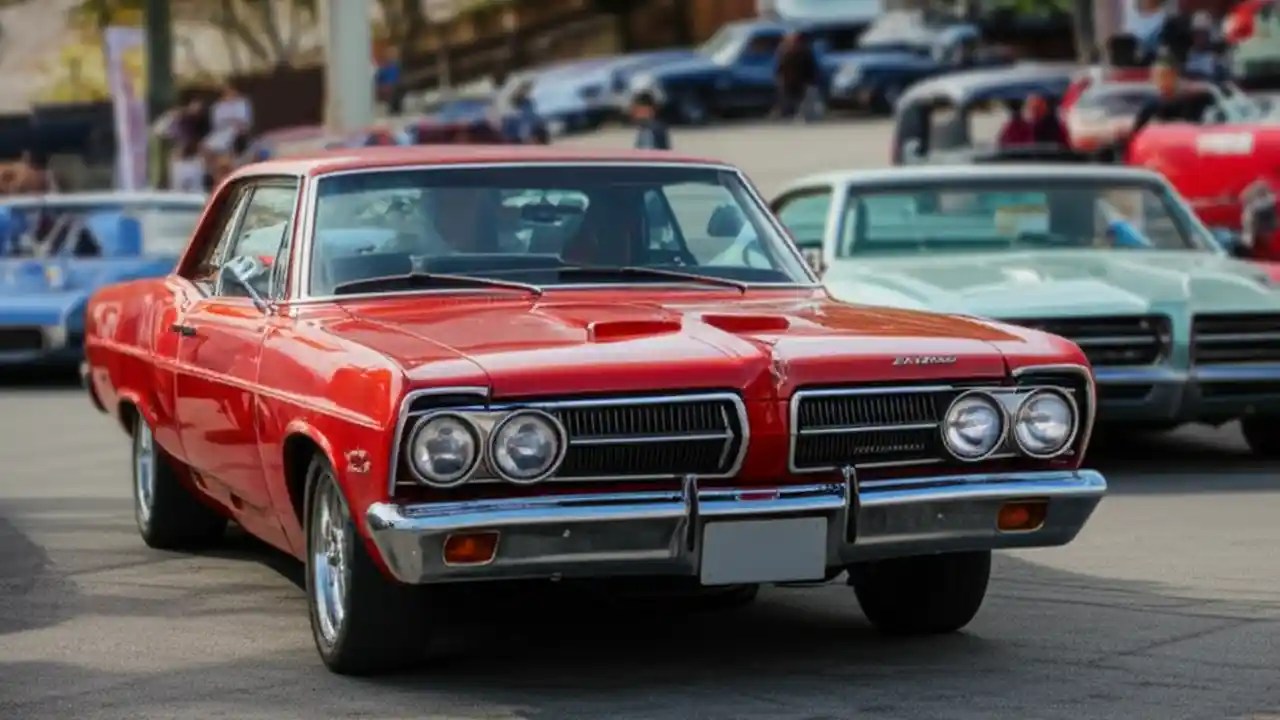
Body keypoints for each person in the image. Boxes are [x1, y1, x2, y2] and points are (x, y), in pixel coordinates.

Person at [1130, 58, 1207, 135]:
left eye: (1165, 75)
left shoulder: (1192, 100)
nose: (1161, 80)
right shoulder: (1151, 105)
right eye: (1157, 76)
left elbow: (1199, 127)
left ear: (1174, 75)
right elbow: (1138, 131)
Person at [773, 31, 820, 121]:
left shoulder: (804, 52)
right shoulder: (784, 52)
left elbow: (810, 68)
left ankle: (800, 115)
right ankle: (788, 114)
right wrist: (780, 79)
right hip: (789, 82)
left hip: (801, 82)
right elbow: (780, 68)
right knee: (789, 101)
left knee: (801, 100)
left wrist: (811, 81)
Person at [204, 82, 254, 157]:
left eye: (231, 91)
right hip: (221, 130)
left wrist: (239, 125)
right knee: (207, 144)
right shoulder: (217, 106)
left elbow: (246, 120)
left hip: (238, 130)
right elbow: (216, 123)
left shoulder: (242, 103)